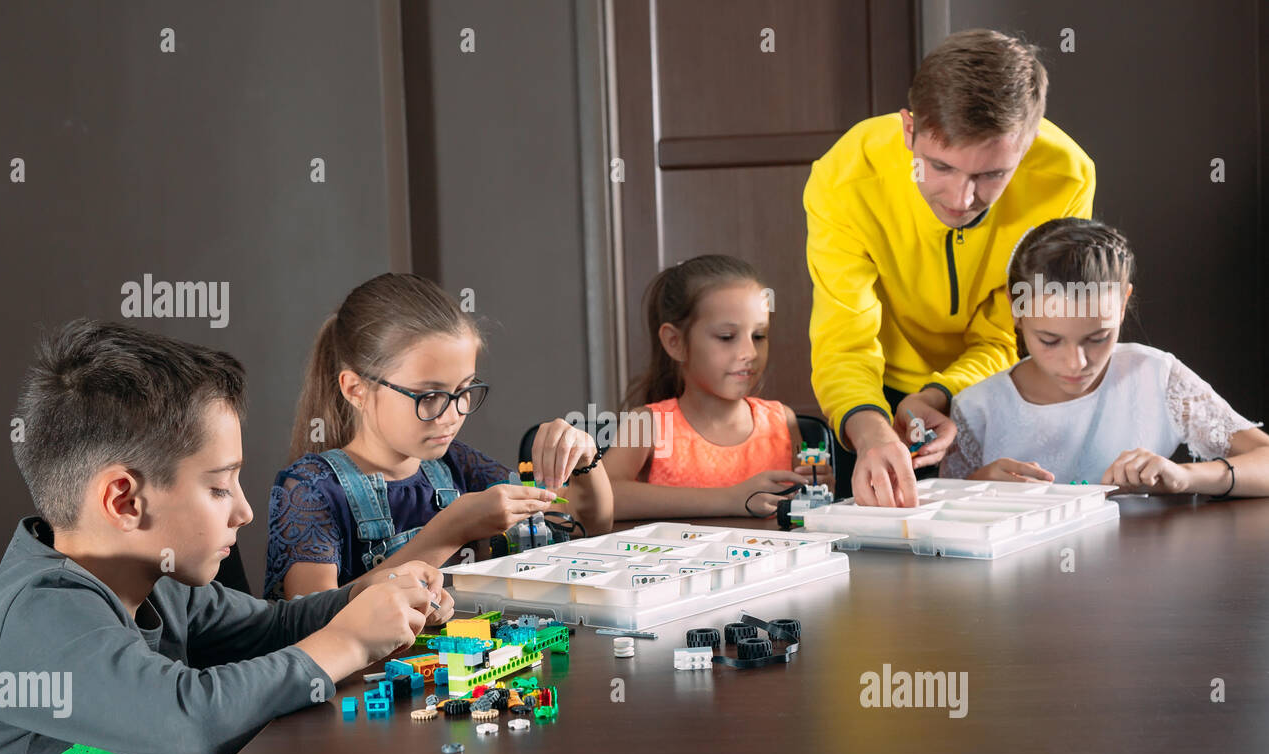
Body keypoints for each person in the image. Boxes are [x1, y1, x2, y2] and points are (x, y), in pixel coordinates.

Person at [0, 320, 450, 754]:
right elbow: (186, 721)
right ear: (124, 500)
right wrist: (349, 642)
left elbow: (275, 628)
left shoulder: (156, 585)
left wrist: (377, 599)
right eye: (220, 487)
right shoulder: (36, 614)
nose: (244, 512)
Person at [805, 28, 1094, 507]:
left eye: (991, 175)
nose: (962, 200)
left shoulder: (1067, 177)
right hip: (872, 396)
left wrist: (942, 394)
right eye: (939, 167)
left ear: (1026, 147)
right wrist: (874, 432)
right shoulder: (844, 177)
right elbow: (844, 343)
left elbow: (1005, 332)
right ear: (907, 129)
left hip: (998, 385)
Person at [266, 273, 612, 598]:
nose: (453, 414)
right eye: (429, 396)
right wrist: (450, 531)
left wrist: (587, 460)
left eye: (463, 391)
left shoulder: (458, 465)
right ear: (356, 389)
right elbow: (308, 618)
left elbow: (587, 528)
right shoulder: (310, 490)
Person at [940, 218, 1269, 495]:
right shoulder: (976, 410)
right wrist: (976, 488)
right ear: (1017, 309)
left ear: (1123, 304)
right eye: (1050, 340)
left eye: (1097, 338)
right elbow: (932, 525)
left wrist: (1184, 477)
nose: (1076, 363)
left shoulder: (1155, 376)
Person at [605, 255, 828, 520]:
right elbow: (604, 496)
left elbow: (807, 509)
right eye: (726, 337)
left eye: (759, 336)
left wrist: (819, 489)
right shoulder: (647, 423)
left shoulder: (783, 422)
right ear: (675, 342)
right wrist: (732, 499)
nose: (749, 352)